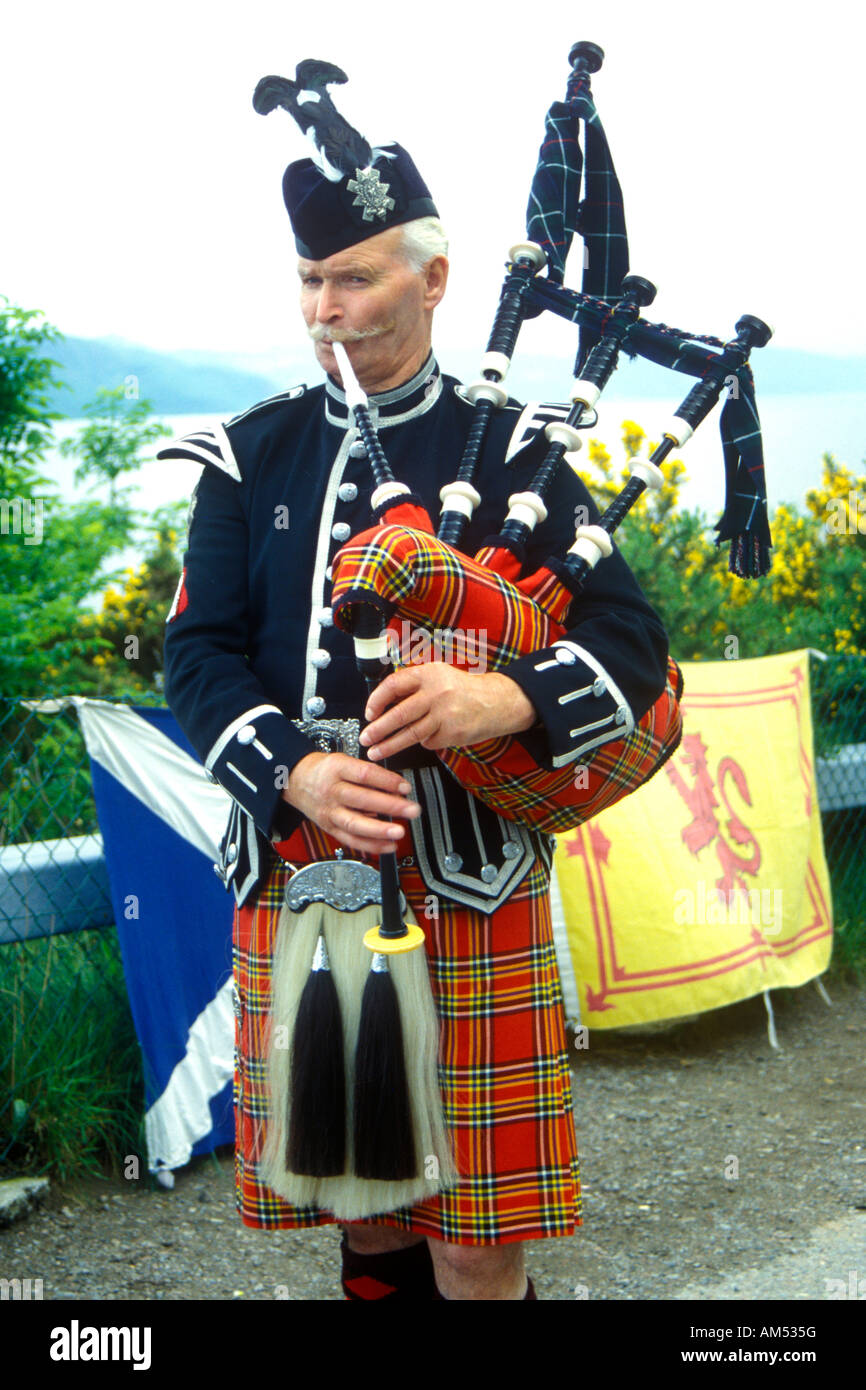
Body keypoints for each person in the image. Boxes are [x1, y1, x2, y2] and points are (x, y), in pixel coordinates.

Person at [161, 68, 671, 1301]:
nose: (324, 308)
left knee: (474, 1234)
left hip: (468, 866)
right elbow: (197, 654)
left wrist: (511, 702)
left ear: (433, 279)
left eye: (354, 278)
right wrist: (294, 769)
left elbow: (632, 645)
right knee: (365, 1205)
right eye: (308, 282)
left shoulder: (518, 452)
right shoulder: (254, 450)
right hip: (305, 857)